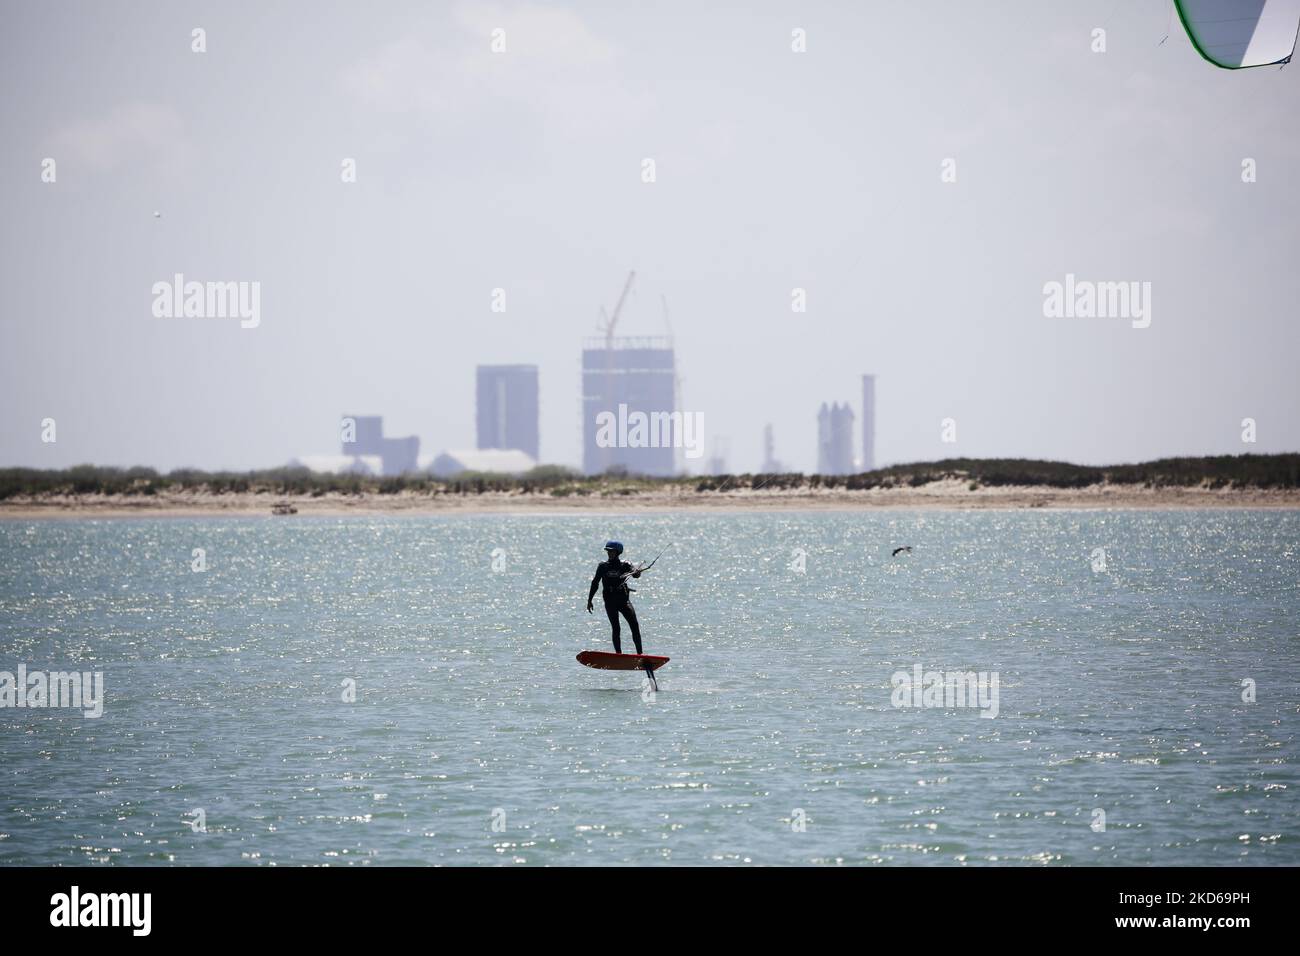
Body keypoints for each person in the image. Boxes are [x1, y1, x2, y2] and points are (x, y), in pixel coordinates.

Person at [586, 540, 644, 655]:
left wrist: (637, 572)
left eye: (612, 551)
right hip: (610, 600)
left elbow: (636, 575)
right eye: (608, 551)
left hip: (623, 600)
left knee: (634, 625)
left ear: (618, 552)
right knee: (616, 628)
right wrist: (590, 600)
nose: (609, 553)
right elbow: (595, 583)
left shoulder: (625, 564)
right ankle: (618, 655)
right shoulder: (603, 566)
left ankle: (640, 654)